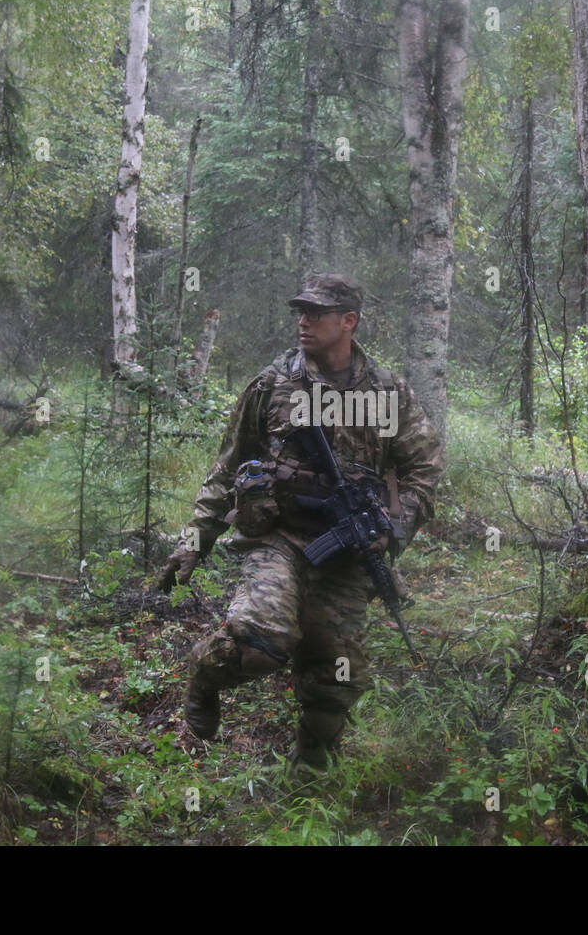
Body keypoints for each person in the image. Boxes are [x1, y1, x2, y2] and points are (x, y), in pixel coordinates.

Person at [157, 273, 444, 769]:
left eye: (317, 313)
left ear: (348, 321)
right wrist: (194, 541)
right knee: (262, 638)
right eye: (300, 312)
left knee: (338, 673)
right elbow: (227, 468)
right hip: (277, 535)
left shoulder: (388, 392)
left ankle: (310, 776)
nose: (303, 322)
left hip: (352, 548)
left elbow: (423, 470)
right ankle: (203, 678)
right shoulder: (271, 385)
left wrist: (391, 529)